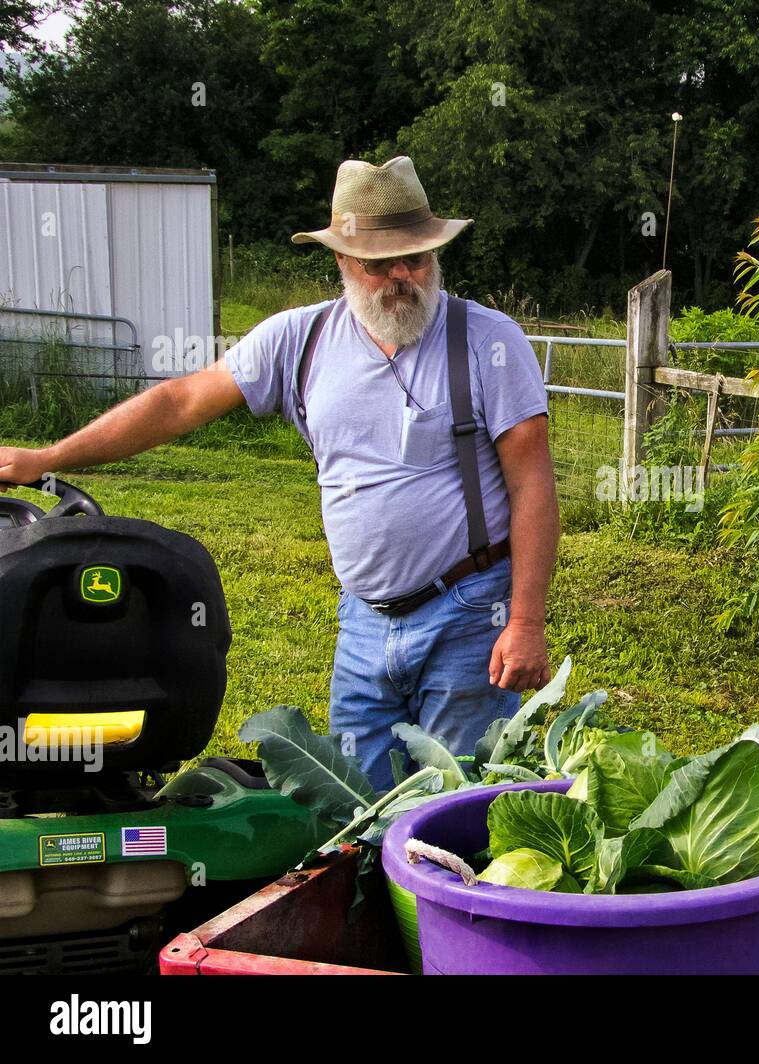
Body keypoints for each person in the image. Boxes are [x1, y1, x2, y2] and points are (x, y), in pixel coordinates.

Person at [0, 156, 559, 792]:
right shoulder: (301, 339)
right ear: (343, 261)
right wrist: (47, 459)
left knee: (462, 808)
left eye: (418, 258)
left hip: (467, 613)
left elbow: (532, 486)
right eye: (381, 263)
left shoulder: (486, 341)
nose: (404, 276)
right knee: (356, 808)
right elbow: (180, 401)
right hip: (363, 621)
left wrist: (525, 623)